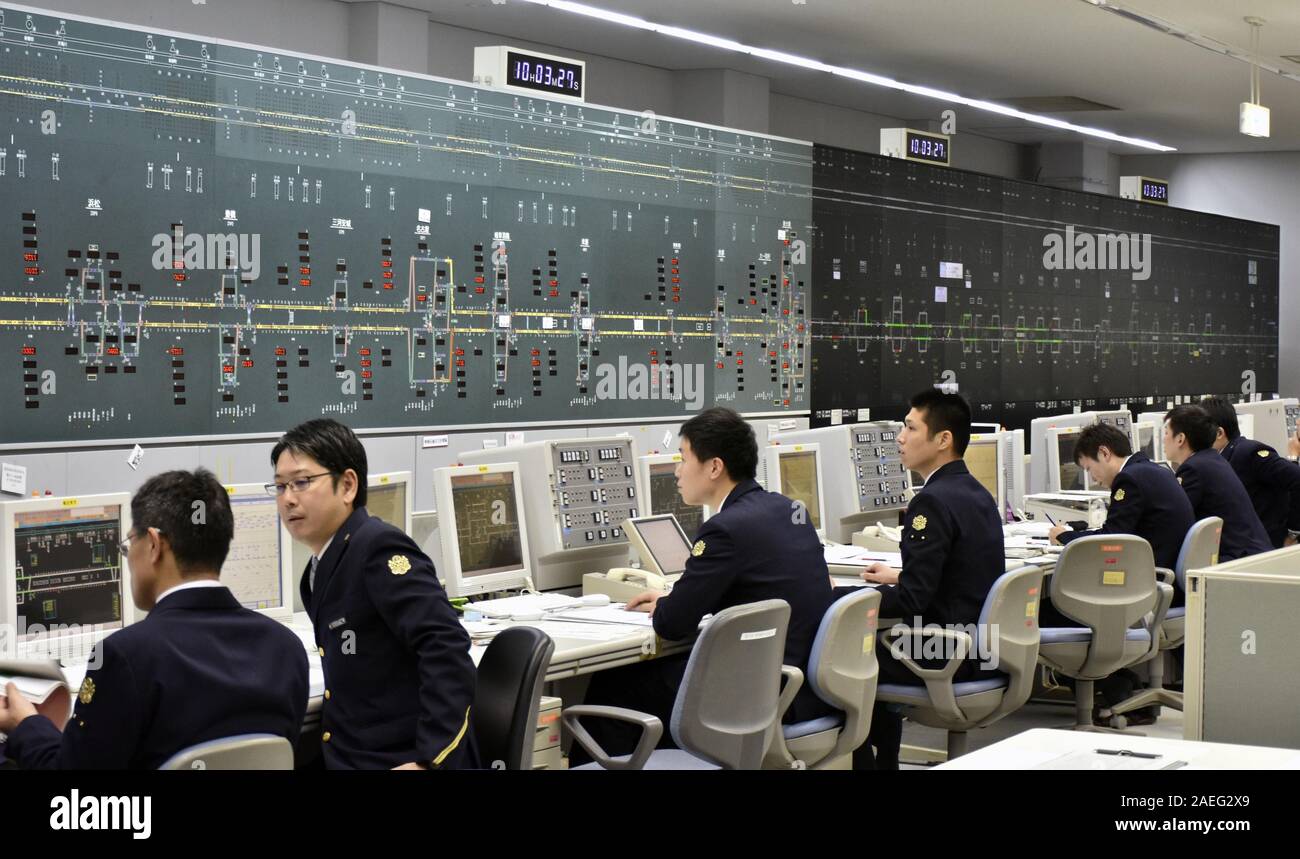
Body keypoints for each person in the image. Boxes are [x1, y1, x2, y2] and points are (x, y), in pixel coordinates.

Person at [570, 407, 834, 765]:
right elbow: (754, 586)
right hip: (797, 690)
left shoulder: (724, 530)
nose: (677, 471)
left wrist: (669, 605)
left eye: (683, 459)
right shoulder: (787, 509)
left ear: (714, 467)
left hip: (753, 697)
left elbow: (672, 624)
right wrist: (678, 597)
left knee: (612, 683)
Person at [0, 469, 308, 769]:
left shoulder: (126, 656)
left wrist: (27, 724)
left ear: (153, 545)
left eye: (129, 543)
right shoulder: (286, 648)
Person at [273, 418, 477, 769]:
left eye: (302, 483)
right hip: (353, 753)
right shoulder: (320, 567)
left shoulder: (378, 548)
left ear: (348, 485)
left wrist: (429, 761)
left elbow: (446, 648)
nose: (288, 499)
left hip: (399, 758)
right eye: (279, 487)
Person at [843, 390, 1005, 770]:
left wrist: (849, 597)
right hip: (982, 646)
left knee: (850, 657)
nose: (900, 437)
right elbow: (958, 572)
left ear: (942, 440)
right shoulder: (976, 492)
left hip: (948, 651)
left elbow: (914, 600)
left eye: (910, 427)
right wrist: (900, 576)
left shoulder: (930, 502)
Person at [1163, 405, 1271, 562]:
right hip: (1253, 554)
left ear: (1180, 439)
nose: (1164, 439)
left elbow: (1175, 520)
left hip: (1234, 560)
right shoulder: (1213, 459)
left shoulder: (1193, 469)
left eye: (1166, 433)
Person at [1198, 397, 1300, 549]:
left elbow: (1297, 479)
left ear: (1219, 433)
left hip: (1265, 545)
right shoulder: (1218, 460)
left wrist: (1293, 532)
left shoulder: (1250, 453)